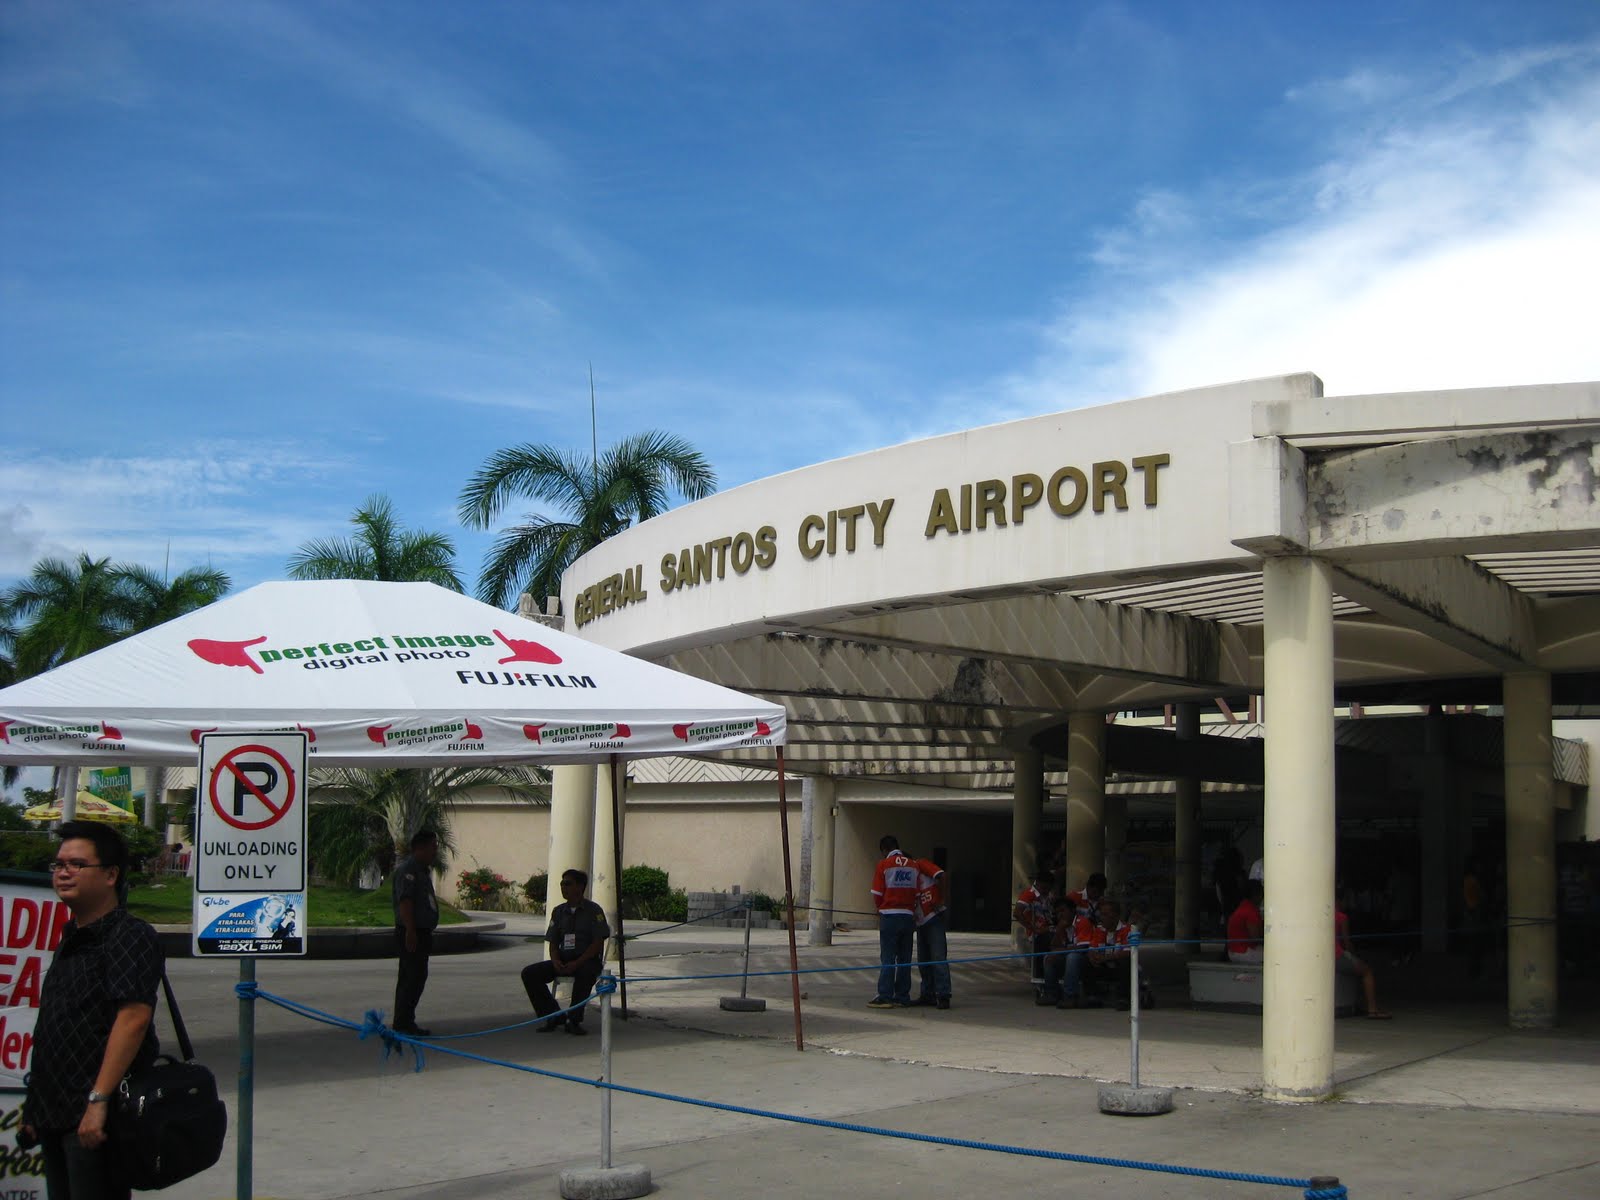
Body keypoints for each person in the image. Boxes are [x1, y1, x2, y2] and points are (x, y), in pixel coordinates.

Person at [22, 821, 162, 1200]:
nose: (64, 872)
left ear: (111, 875)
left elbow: (133, 1019)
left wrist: (98, 1101)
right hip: (54, 1112)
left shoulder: (129, 935)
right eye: (59, 864)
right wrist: (35, 1108)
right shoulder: (71, 938)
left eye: (77, 864)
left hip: (97, 1116)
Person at [522, 869, 609, 1034]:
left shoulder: (594, 910)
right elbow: (553, 941)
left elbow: (598, 943)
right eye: (562, 884)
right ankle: (552, 1015)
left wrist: (577, 963)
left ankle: (573, 1020)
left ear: (580, 887)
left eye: (568, 884)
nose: (563, 887)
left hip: (586, 960)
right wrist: (555, 960)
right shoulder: (559, 911)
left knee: (585, 974)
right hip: (564, 959)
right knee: (530, 973)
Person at [391, 829, 439, 1036]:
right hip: (412, 932)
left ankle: (406, 1020)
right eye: (432, 847)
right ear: (420, 848)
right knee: (411, 977)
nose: (435, 852)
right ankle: (403, 1022)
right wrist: (410, 931)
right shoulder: (408, 871)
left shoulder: (422, 870)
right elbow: (406, 901)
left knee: (417, 976)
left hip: (422, 931)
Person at [868, 835, 920, 1007]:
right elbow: (917, 893)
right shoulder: (913, 865)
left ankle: (885, 996)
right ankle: (902, 996)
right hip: (908, 916)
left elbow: (877, 894)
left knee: (888, 958)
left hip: (889, 916)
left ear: (884, 850)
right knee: (905, 959)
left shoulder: (883, 865)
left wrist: (879, 909)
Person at [1336, 905, 1391, 1018]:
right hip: (1336, 954)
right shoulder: (1341, 916)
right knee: (1367, 972)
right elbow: (1346, 941)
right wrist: (1353, 955)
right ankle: (1372, 1010)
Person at [912, 854, 951, 1009]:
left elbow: (943, 875)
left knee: (938, 957)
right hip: (921, 921)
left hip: (933, 917)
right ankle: (927, 994)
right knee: (923, 959)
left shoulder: (920, 864)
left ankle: (943, 995)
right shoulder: (908, 876)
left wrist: (942, 900)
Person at [1012, 868, 1055, 986]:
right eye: (1045, 888)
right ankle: (1040, 977)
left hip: (1050, 928)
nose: (1046, 890)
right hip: (1037, 934)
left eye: (1049, 888)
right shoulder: (1029, 894)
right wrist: (1034, 929)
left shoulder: (1048, 896)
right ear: (1039, 883)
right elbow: (1017, 913)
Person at [1226, 879, 1264, 964]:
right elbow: (1256, 938)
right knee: (1276, 955)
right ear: (1256, 894)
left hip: (1233, 952)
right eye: (1262, 894)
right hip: (1244, 952)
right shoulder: (1251, 911)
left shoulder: (1242, 907)